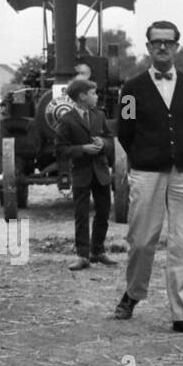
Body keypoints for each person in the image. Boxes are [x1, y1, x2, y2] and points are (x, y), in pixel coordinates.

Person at [113, 20, 183, 335]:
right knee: (141, 241)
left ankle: (182, 314)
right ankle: (133, 293)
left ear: (177, 46)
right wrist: (144, 157)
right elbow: (124, 131)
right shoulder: (131, 88)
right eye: (157, 42)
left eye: (169, 42)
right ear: (148, 47)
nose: (163, 47)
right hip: (148, 173)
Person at [56, 77, 117, 270]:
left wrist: (103, 144)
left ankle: (97, 251)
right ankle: (82, 255)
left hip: (101, 173)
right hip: (81, 174)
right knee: (81, 215)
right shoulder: (67, 120)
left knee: (104, 212)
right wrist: (83, 149)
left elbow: (109, 139)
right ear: (82, 96)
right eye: (93, 93)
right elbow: (60, 149)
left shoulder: (99, 116)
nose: (96, 96)